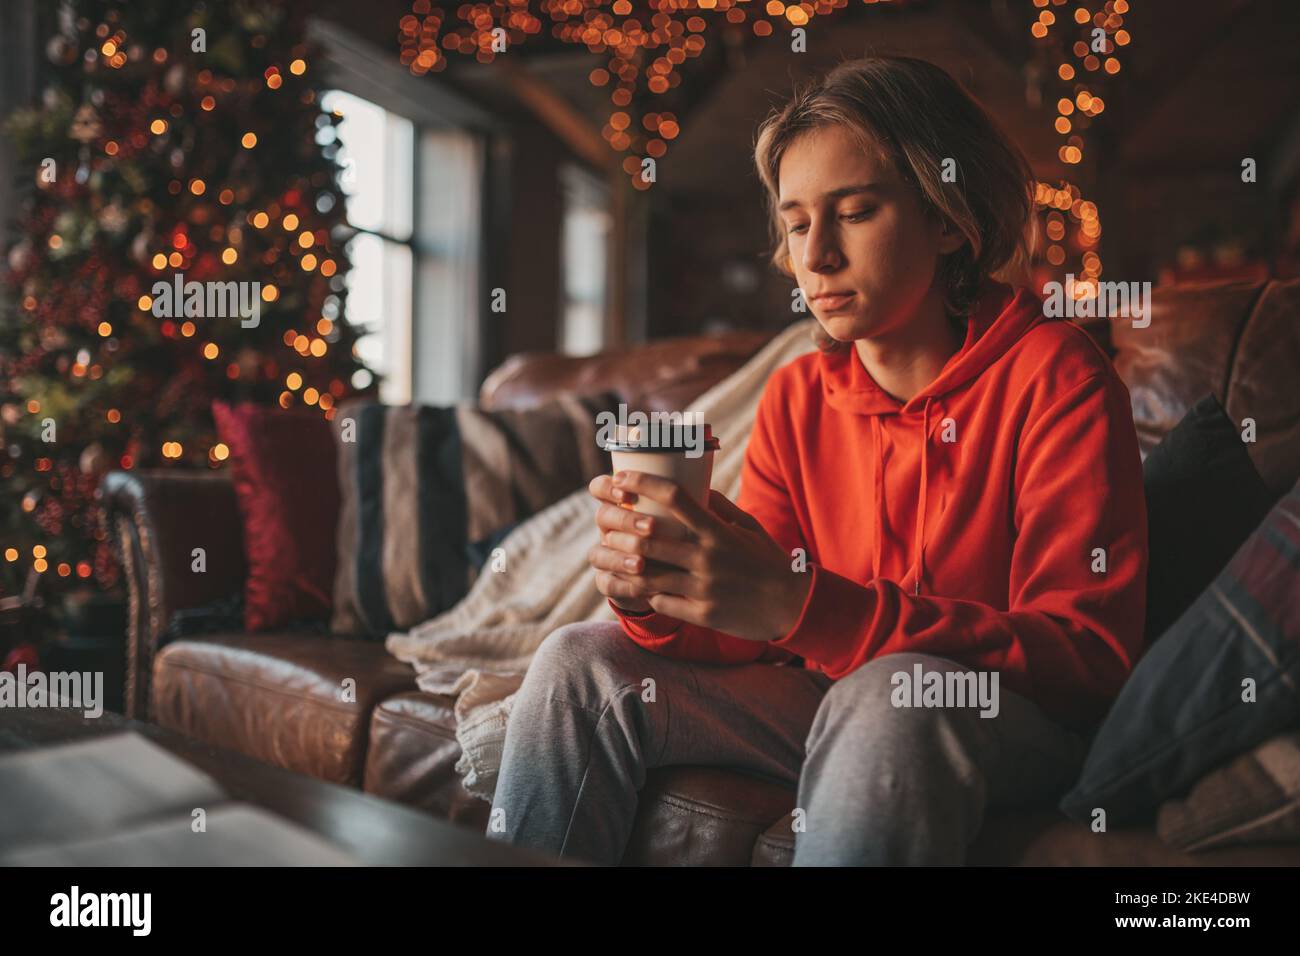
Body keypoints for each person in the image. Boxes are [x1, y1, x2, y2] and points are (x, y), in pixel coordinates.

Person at [486, 56, 1148, 866]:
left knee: (893, 689)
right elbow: (752, 624)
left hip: (997, 717)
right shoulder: (800, 392)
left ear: (948, 218)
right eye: (797, 224)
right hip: (822, 697)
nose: (818, 257)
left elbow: (1085, 658)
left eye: (856, 212)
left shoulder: (1059, 376)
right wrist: (662, 596)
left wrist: (809, 609)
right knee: (576, 660)